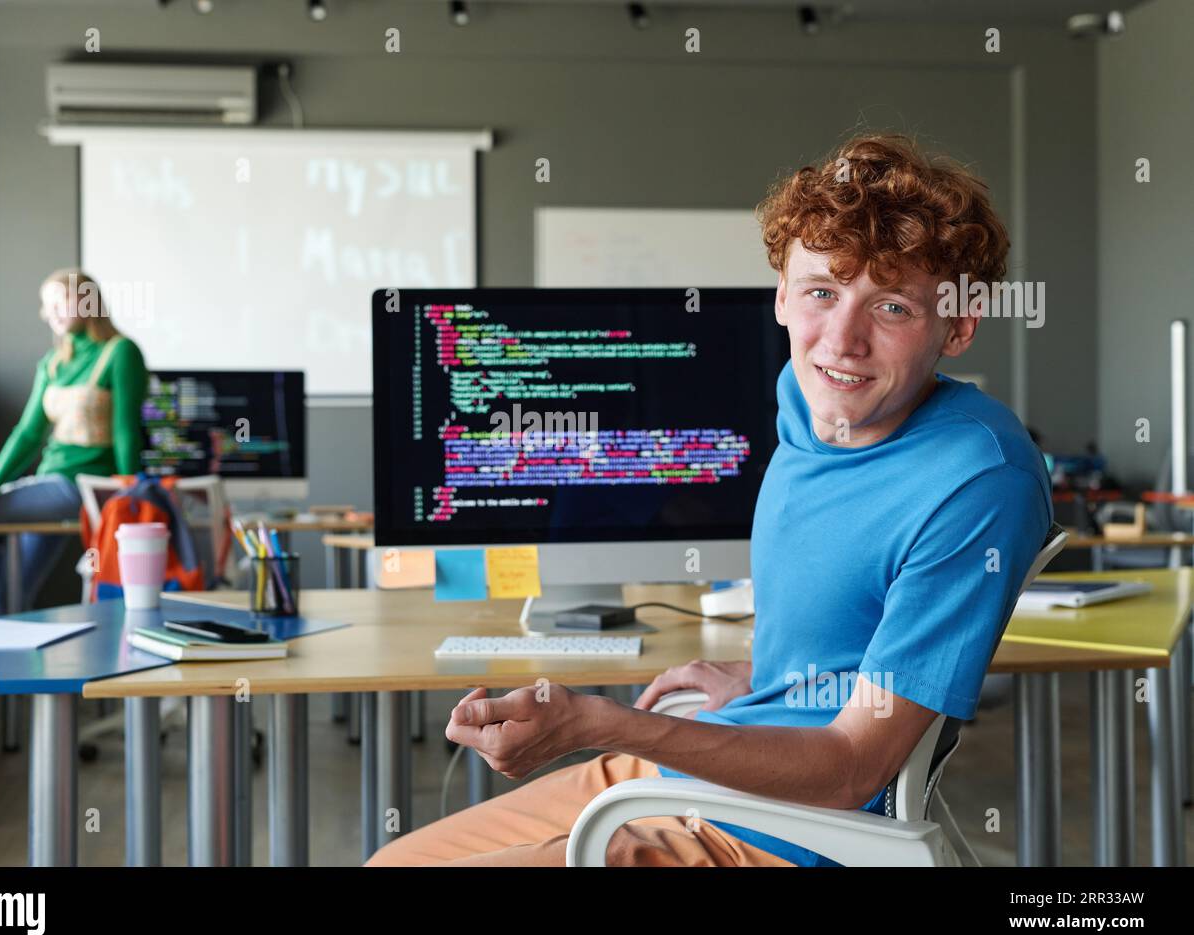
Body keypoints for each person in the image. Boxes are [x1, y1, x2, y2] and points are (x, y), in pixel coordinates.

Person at [367, 132, 1053, 867]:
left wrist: (603, 721)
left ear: (959, 325)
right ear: (783, 298)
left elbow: (856, 767)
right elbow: (850, 620)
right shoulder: (807, 399)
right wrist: (777, 680)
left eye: (891, 307)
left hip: (789, 832)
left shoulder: (976, 483)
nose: (842, 341)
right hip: (712, 768)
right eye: (821, 292)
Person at [0, 269, 148, 743]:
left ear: (87, 302)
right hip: (48, 482)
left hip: (82, 487)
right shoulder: (53, 363)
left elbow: (125, 432)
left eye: (59, 302)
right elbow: (28, 434)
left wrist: (125, 496)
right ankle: (3, 662)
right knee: (2, 581)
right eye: (46, 304)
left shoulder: (121, 353)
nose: (49, 313)